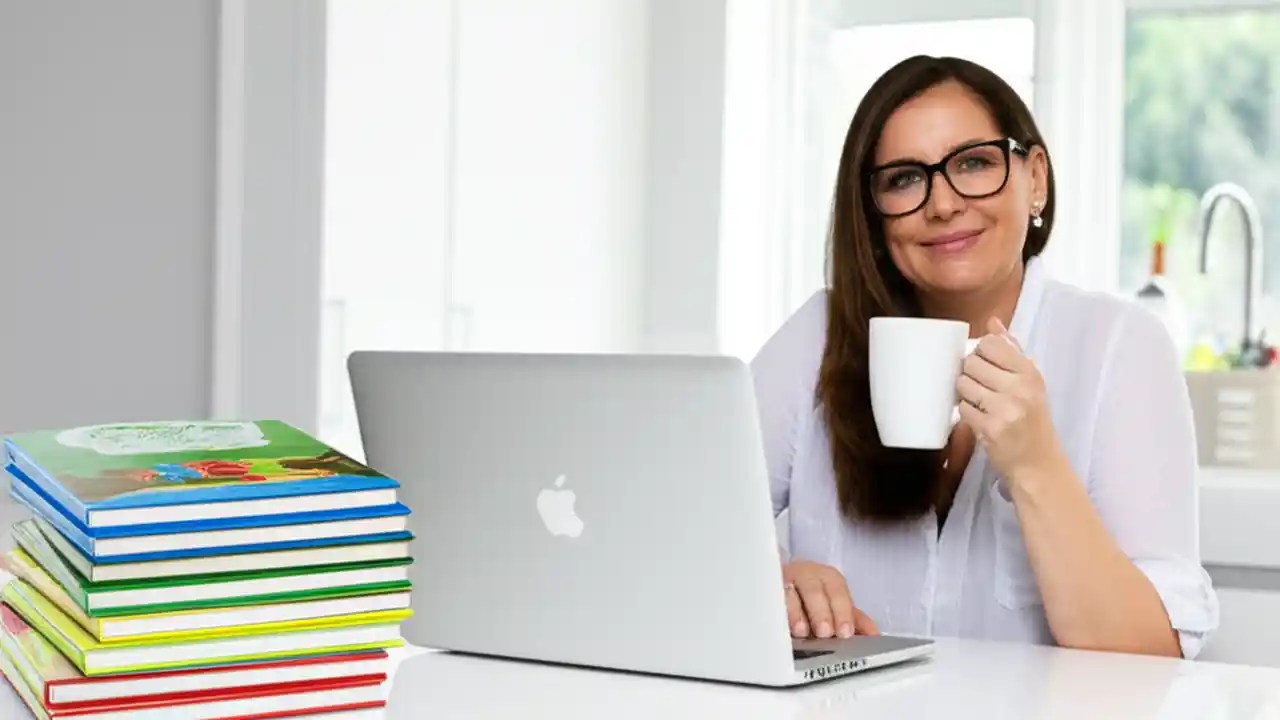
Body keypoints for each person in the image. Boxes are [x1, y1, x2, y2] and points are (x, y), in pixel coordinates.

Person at [751, 55, 1219, 658]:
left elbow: (1148, 659)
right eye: (902, 178)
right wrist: (774, 582)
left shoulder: (1119, 347)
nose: (941, 202)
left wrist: (1035, 464)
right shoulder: (818, 336)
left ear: (1036, 181)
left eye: (974, 163)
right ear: (871, 214)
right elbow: (684, 521)